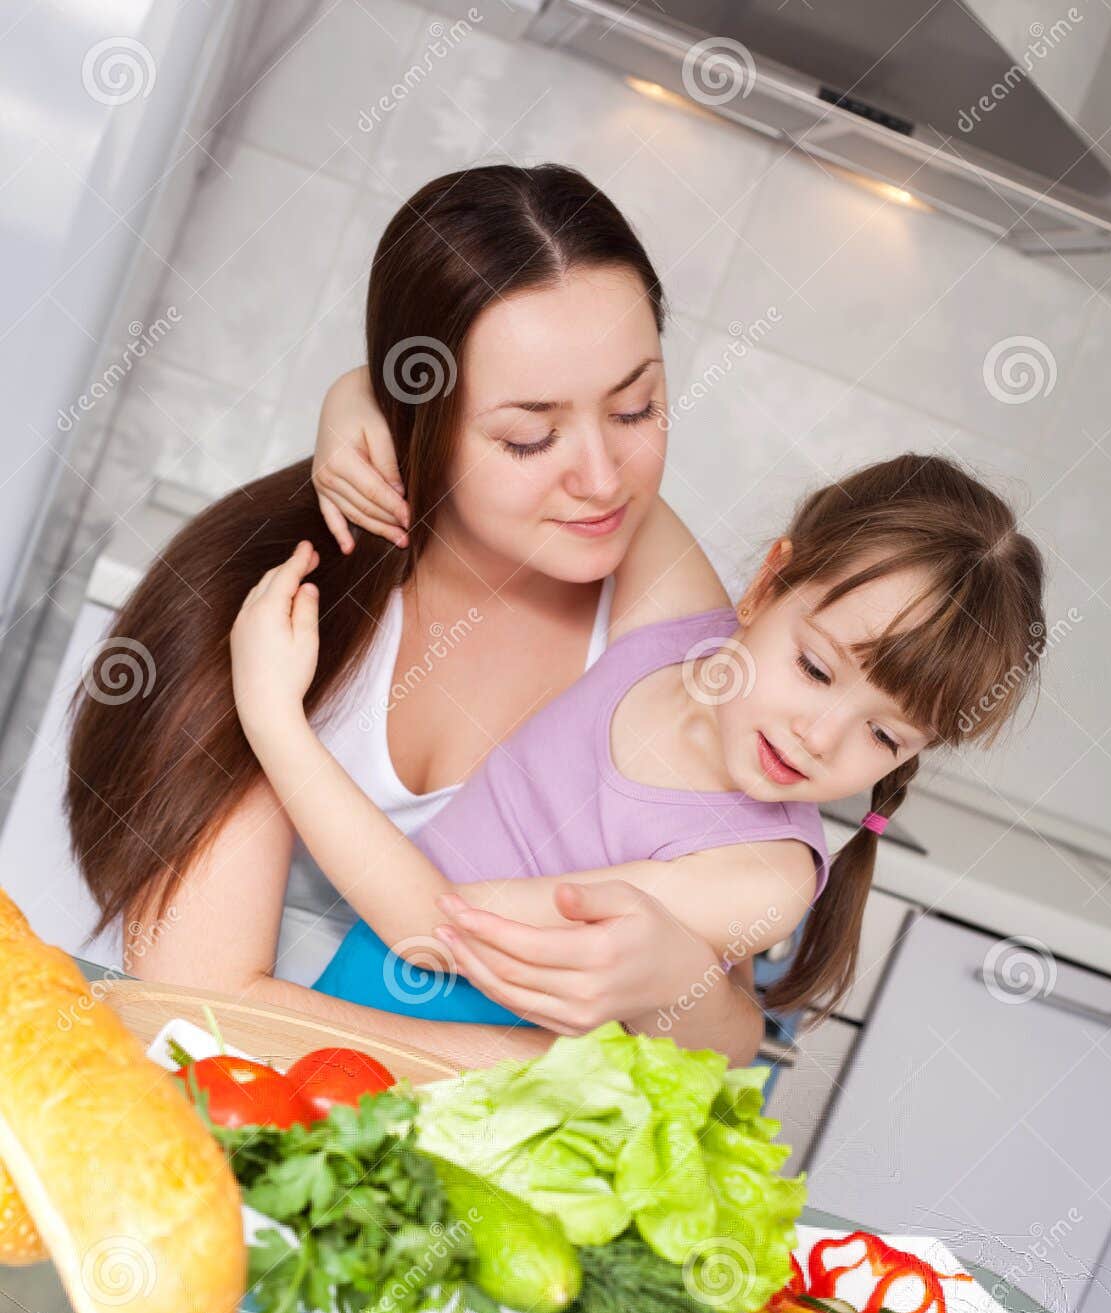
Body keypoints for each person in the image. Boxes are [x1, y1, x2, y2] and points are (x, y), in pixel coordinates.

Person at [66, 162, 771, 1068]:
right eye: (529, 436)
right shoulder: (264, 597)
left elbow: (726, 1038)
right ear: (419, 415)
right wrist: (544, 1068)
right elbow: (200, 1008)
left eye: (637, 407)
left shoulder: (671, 627)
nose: (603, 480)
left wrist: (680, 980)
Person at [229, 454, 1047, 1032]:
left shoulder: (765, 874)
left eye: (883, 733)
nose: (819, 736)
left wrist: (274, 720)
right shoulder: (675, 622)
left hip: (474, 1095)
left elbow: (436, 931)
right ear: (767, 584)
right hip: (348, 1002)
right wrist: (360, 397)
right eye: (815, 667)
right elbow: (602, 466)